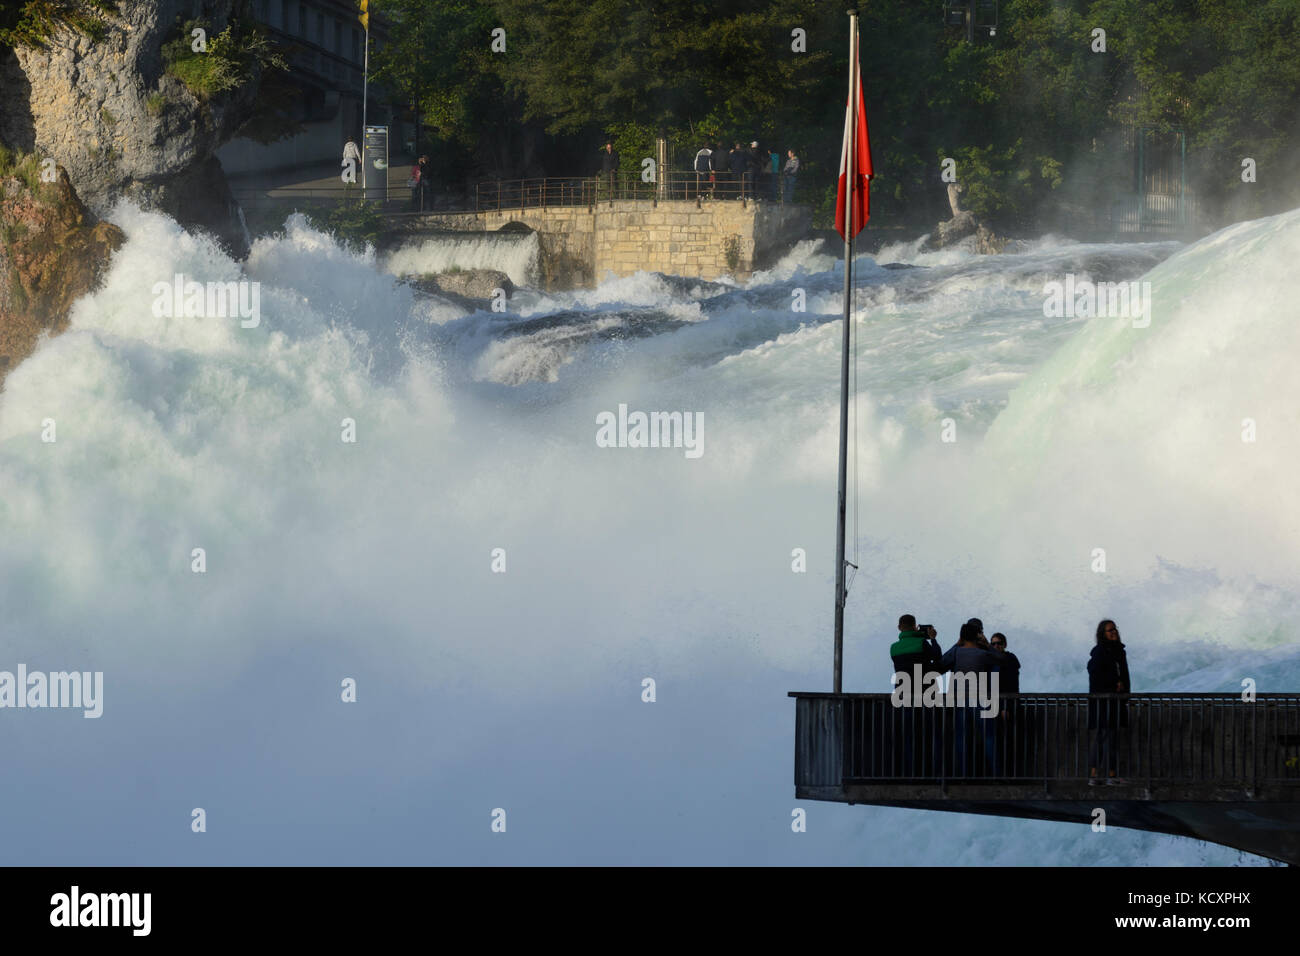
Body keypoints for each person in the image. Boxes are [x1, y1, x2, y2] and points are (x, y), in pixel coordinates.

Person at [942, 622, 999, 776]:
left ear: (961, 636)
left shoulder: (956, 652)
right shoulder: (983, 654)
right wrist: (987, 645)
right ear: (978, 635)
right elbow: (1002, 660)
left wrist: (956, 644)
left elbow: (940, 665)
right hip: (981, 700)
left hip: (959, 699)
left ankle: (963, 776)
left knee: (962, 738)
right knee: (989, 737)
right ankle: (996, 775)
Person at [889, 614, 943, 776]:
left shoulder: (894, 648)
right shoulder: (922, 643)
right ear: (915, 626)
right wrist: (932, 638)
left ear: (899, 628)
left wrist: (918, 634)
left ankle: (910, 773)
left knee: (908, 737)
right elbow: (937, 656)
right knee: (929, 734)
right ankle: (931, 772)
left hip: (903, 696)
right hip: (925, 695)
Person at [1088, 620, 1130, 785]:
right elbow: (1093, 672)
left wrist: (1125, 694)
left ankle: (1107, 775)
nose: (1114, 632)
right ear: (1102, 634)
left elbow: (1125, 674)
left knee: (1110, 737)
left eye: (1115, 629)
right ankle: (1098, 775)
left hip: (1115, 700)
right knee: (1103, 737)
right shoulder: (1099, 651)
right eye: (1109, 630)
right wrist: (1114, 683)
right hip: (1103, 701)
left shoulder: (1119, 651)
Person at [989, 632, 1024, 774]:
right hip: (995, 705)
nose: (996, 646)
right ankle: (1000, 774)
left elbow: (1010, 685)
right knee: (998, 742)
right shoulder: (992, 659)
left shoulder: (1010, 658)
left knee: (1007, 742)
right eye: (993, 644)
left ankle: (1008, 774)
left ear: (1005, 644)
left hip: (1007, 706)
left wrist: (1005, 707)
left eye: (999, 643)